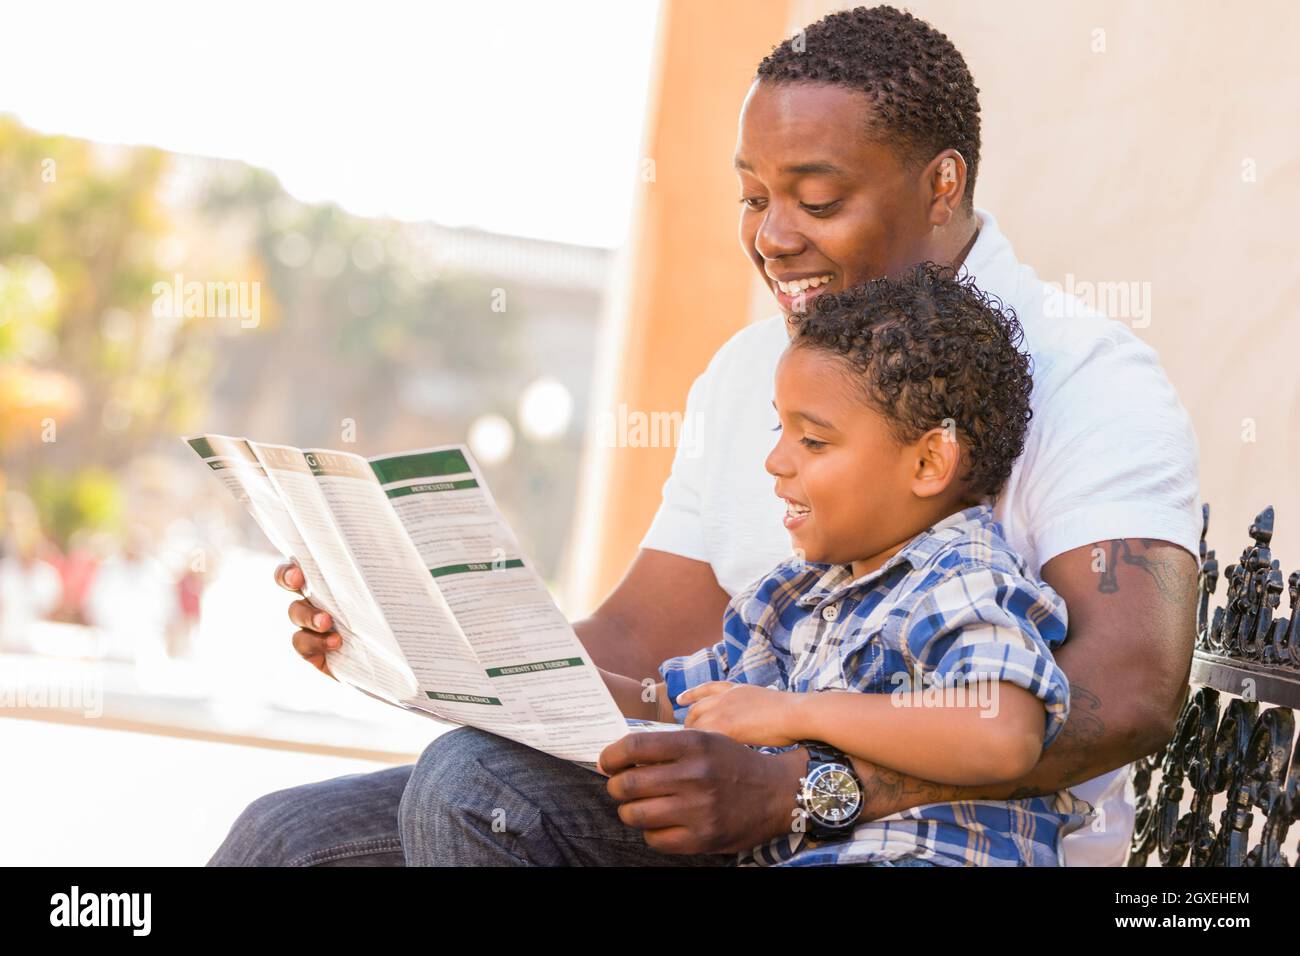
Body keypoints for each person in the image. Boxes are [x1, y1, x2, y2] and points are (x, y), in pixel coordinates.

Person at [210, 5, 1200, 867]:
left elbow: (1123, 694)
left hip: (930, 835)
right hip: (737, 808)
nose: (771, 235)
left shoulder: (1087, 376)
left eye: (817, 200)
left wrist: (795, 786)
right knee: (288, 841)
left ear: (942, 186)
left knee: (476, 791)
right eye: (752, 196)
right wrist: (407, 633)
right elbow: (638, 647)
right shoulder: (746, 374)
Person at [592, 264, 1090, 866]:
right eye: (781, 428)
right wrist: (526, 680)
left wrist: (796, 712)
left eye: (815, 441)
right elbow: (684, 704)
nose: (775, 460)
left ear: (930, 462)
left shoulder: (962, 574)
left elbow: (1002, 734)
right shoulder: (791, 597)